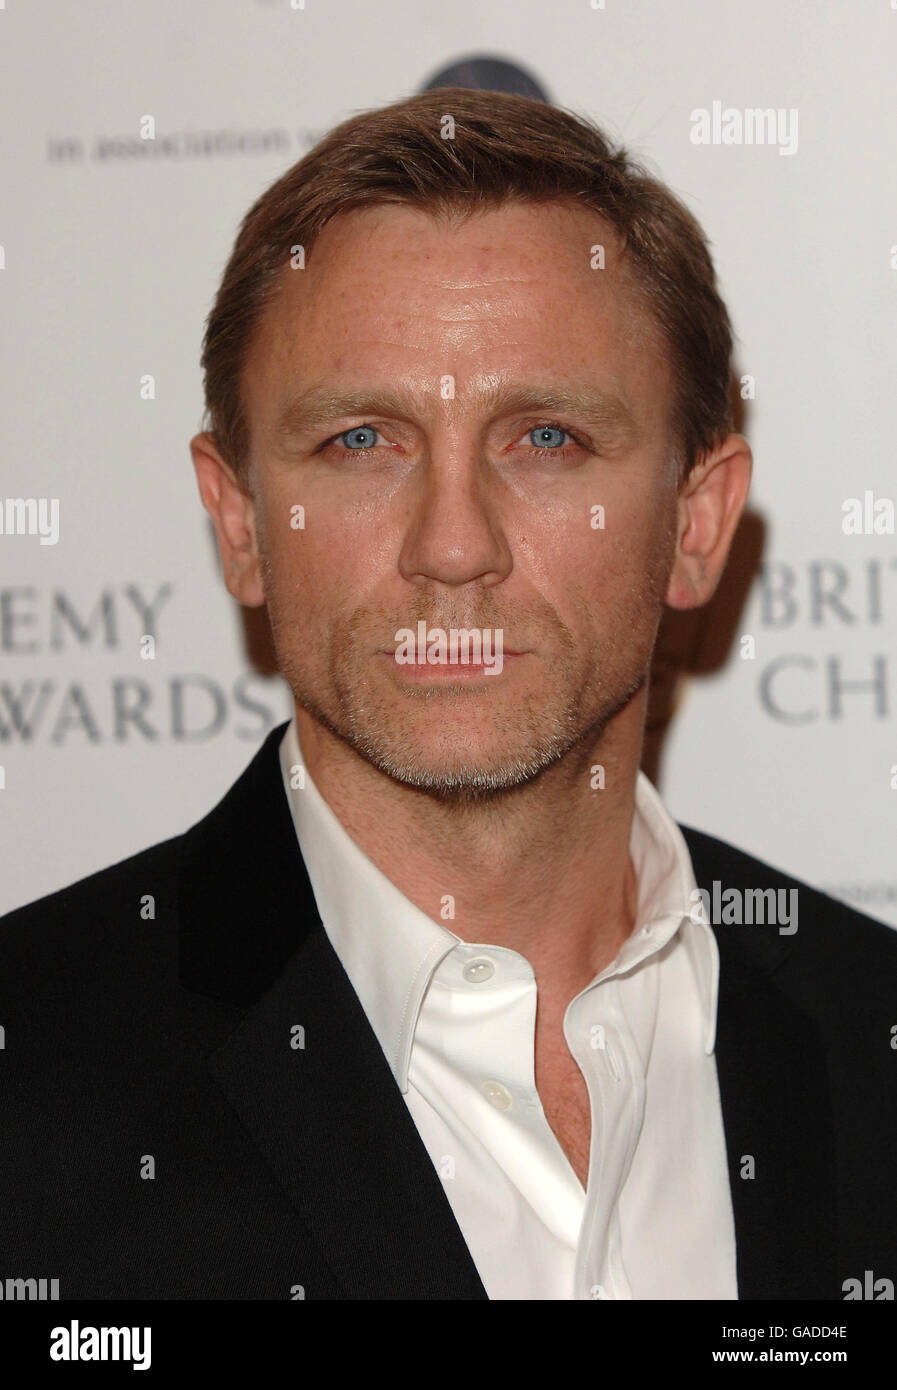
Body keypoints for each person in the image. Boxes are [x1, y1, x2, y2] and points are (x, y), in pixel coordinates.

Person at [1, 87, 895, 1302]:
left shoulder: (870, 1037)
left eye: (547, 440)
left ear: (697, 522)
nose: (454, 544)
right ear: (240, 520)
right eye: (363, 440)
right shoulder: (33, 1071)